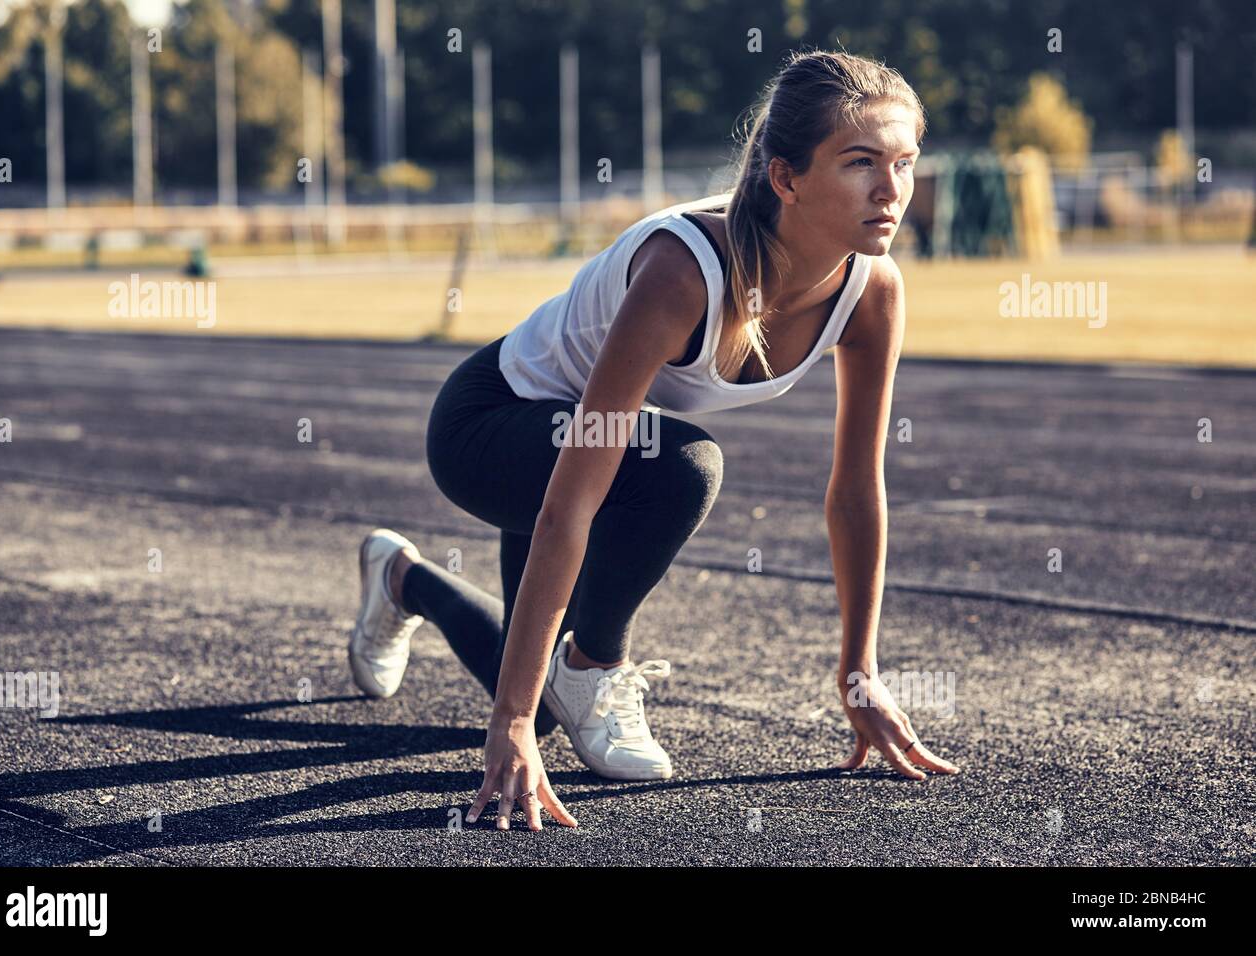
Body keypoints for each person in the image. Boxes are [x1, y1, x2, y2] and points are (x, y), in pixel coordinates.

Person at [347, 48, 961, 832]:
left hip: (587, 445)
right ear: (787, 176)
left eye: (904, 163)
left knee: (534, 706)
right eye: (860, 163)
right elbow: (571, 502)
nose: (892, 190)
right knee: (681, 468)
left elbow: (854, 489)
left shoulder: (872, 292)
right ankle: (595, 666)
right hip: (491, 425)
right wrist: (501, 724)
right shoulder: (683, 272)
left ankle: (402, 579)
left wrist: (858, 674)